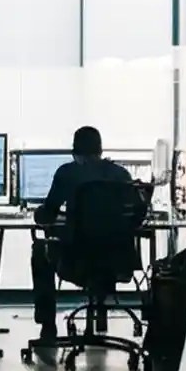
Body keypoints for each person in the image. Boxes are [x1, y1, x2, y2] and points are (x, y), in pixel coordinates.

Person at [30, 126, 132, 341]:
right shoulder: (122, 175)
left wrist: (42, 215)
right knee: (99, 253)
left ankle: (47, 325)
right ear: (101, 150)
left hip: (76, 263)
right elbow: (133, 218)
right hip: (118, 263)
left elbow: (47, 215)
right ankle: (102, 313)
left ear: (74, 153)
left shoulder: (67, 173)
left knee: (39, 249)